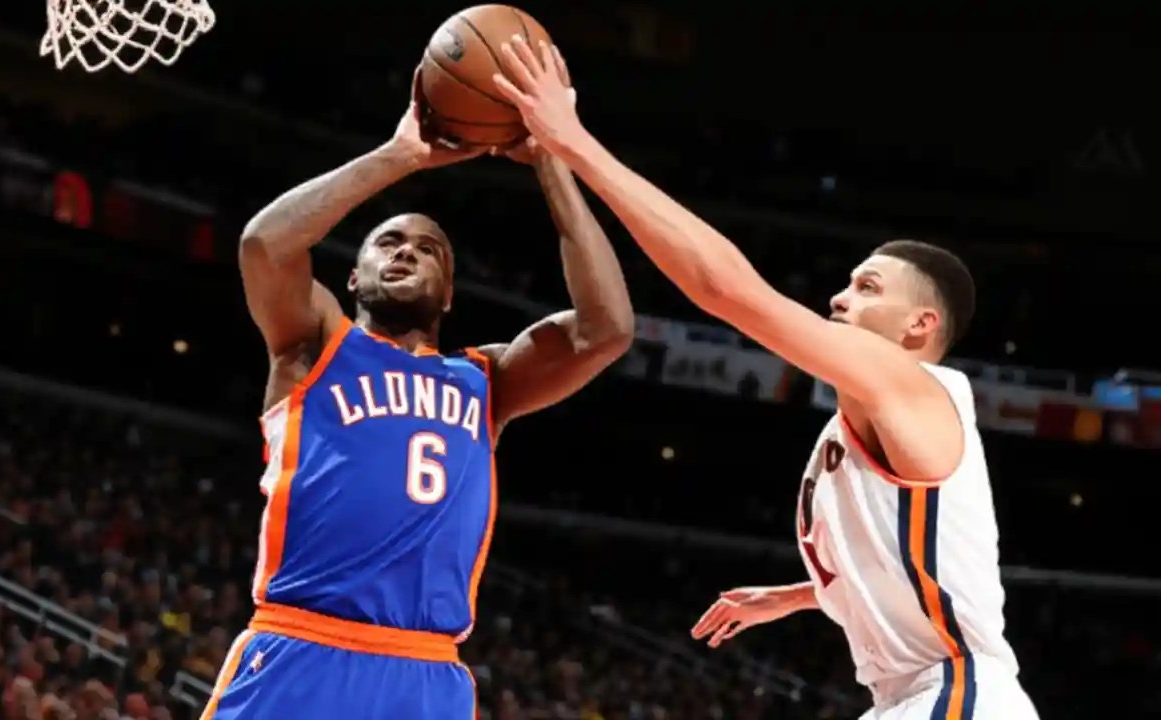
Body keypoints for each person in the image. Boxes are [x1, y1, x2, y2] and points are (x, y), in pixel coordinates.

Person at [493, 35, 1038, 720]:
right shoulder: (859, 429)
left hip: (957, 694)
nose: (839, 300)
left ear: (918, 328)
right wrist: (800, 594)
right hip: (916, 697)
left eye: (867, 288)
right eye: (846, 285)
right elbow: (915, 569)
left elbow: (725, 289)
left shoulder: (910, 384)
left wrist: (574, 143)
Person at [201, 69, 634, 720]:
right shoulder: (314, 346)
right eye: (388, 244)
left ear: (450, 292)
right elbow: (264, 245)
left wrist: (551, 161)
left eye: (427, 249)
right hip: (303, 646)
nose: (405, 254)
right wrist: (399, 157)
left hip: (425, 673)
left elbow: (607, 329)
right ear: (353, 275)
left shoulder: (486, 381)